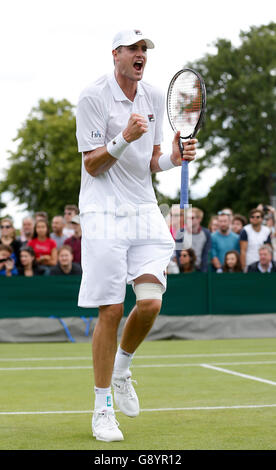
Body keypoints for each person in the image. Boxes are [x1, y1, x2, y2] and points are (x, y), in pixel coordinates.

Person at [75, 29, 197, 442]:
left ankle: (123, 368)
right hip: (103, 214)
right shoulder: (92, 97)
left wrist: (173, 158)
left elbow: (154, 161)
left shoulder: (153, 96)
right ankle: (102, 408)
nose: (141, 54)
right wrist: (123, 137)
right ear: (116, 55)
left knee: (149, 304)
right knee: (110, 311)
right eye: (134, 48)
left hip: (144, 211)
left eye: (145, 49)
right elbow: (92, 165)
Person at [175, 207, 211, 272]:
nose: (188, 220)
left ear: (199, 219)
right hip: (183, 271)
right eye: (187, 218)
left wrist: (203, 271)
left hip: (200, 270)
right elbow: (178, 253)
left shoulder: (206, 233)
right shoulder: (180, 233)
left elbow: (206, 254)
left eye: (192, 218)